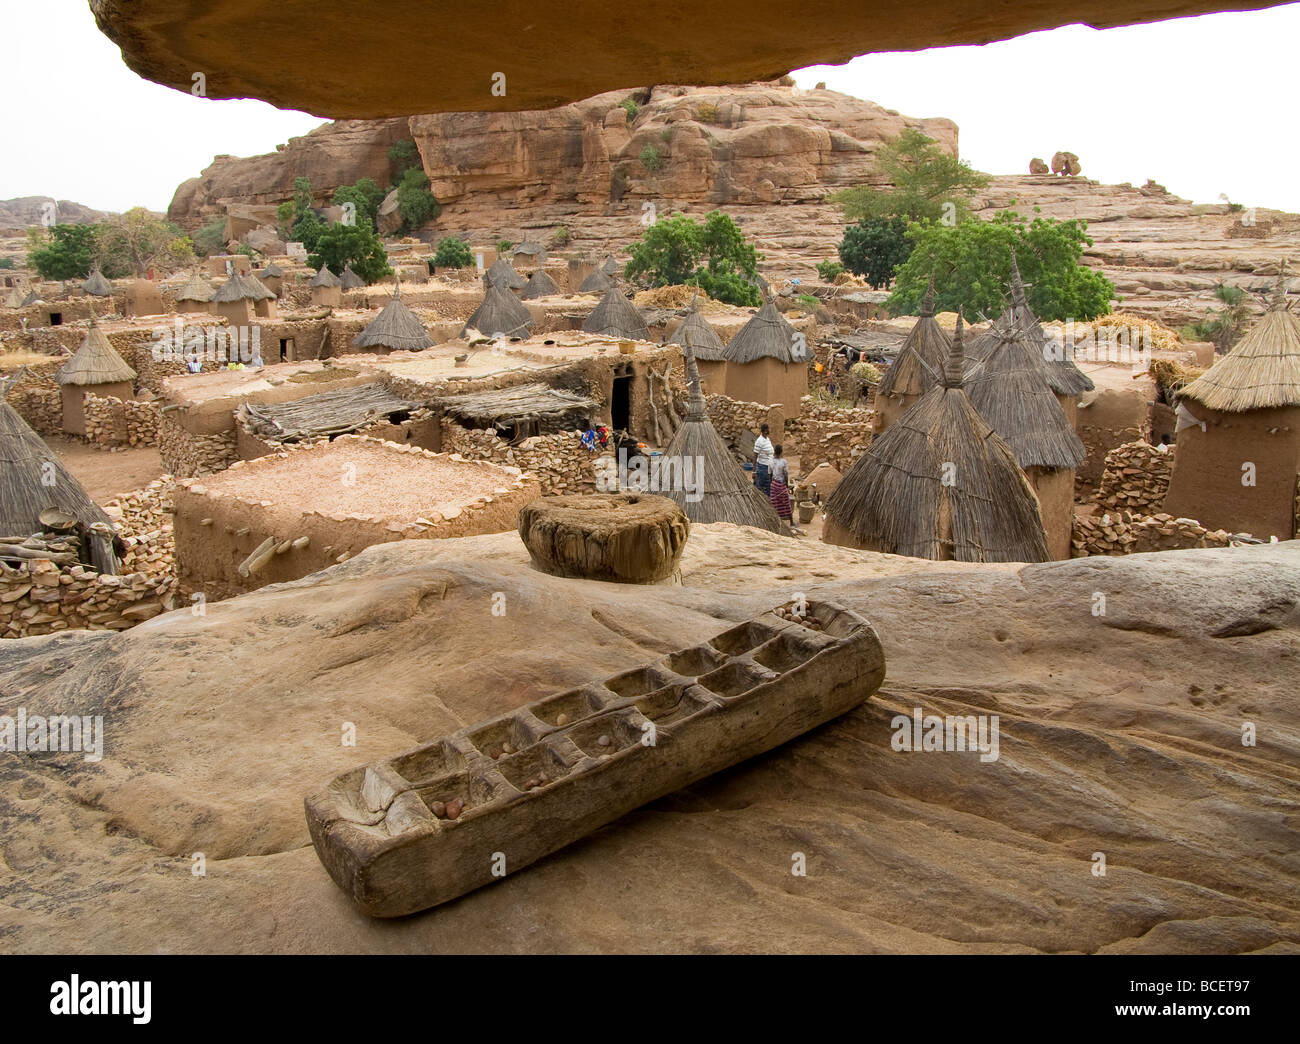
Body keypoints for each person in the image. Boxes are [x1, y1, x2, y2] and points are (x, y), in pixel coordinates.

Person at [769, 445, 796, 533]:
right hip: (781, 485)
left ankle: (776, 522)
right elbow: (786, 475)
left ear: (774, 451)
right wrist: (787, 486)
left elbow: (770, 474)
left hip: (774, 485)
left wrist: (771, 484)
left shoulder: (771, 461)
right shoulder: (783, 462)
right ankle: (791, 522)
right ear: (781, 452)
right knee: (786, 503)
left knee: (775, 504)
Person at [752, 423, 774, 496]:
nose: (769, 430)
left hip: (768, 467)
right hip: (762, 467)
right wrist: (754, 471)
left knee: (768, 487)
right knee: (762, 487)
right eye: (768, 429)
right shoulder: (759, 441)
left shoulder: (767, 439)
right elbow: (755, 457)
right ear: (765, 431)